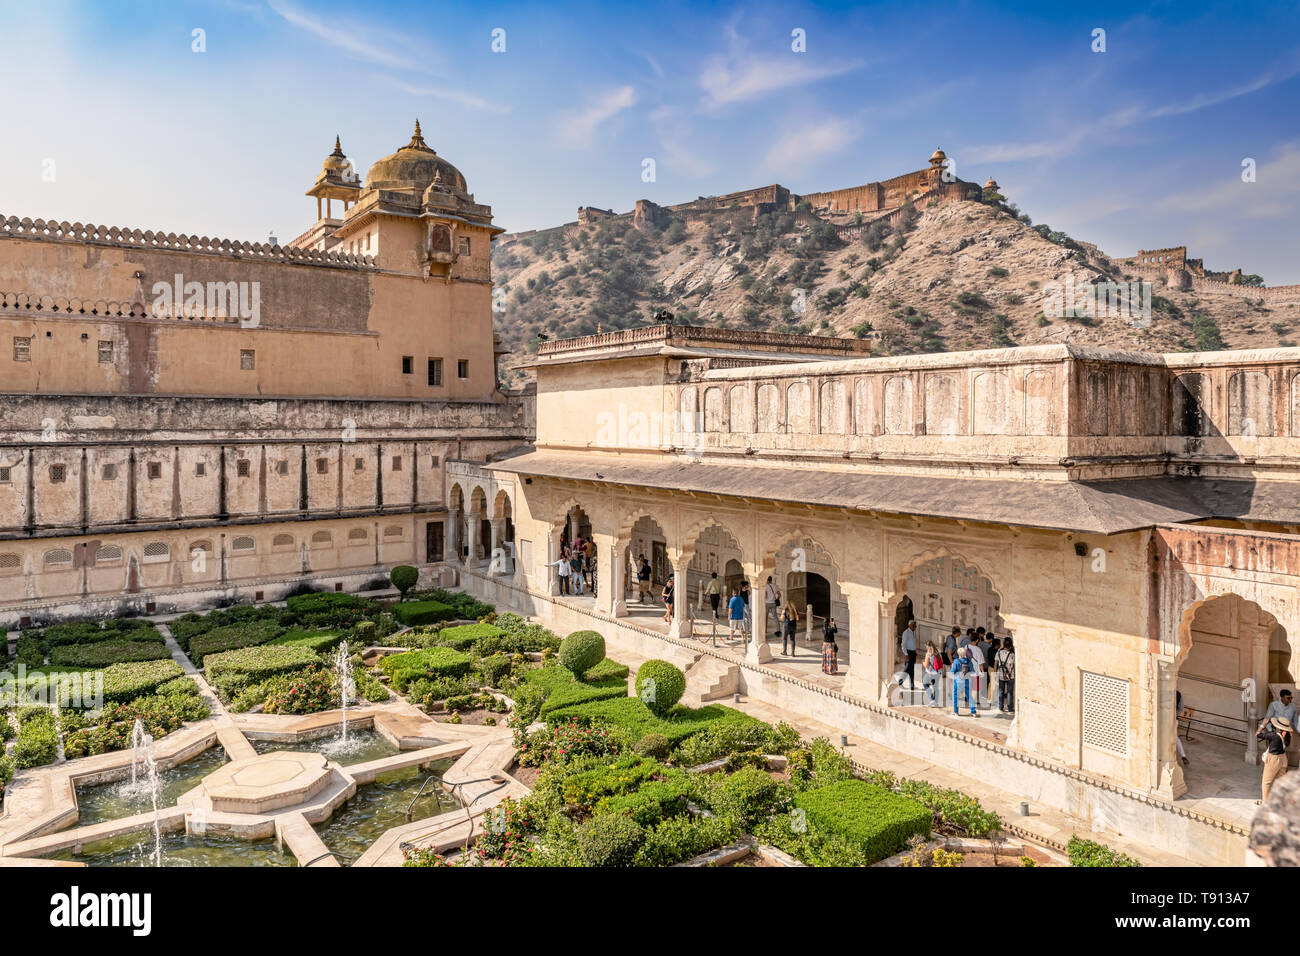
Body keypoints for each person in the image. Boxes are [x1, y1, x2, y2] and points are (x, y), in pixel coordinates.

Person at [1258, 716, 1293, 803]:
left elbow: (1257, 734)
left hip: (1273, 759)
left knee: (1266, 782)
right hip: (1283, 758)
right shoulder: (1288, 735)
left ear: (1278, 726)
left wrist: (1263, 725)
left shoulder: (1273, 735)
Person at [951, 645, 977, 717]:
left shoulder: (956, 661)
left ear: (958, 654)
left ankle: (956, 712)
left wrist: (952, 666)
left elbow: (952, 671)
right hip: (967, 680)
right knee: (969, 696)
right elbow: (972, 671)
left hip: (958, 681)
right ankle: (973, 712)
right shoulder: (969, 661)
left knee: (955, 695)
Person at [994, 637, 1015, 713]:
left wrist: (995, 674)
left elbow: (995, 664)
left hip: (1000, 675)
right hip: (1010, 676)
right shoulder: (1012, 655)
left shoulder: (998, 653)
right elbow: (1015, 666)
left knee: (1001, 691)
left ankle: (1000, 707)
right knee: (1010, 692)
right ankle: (1010, 709)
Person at [922, 641, 943, 706]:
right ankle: (936, 702)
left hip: (930, 673)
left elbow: (926, 665)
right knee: (936, 687)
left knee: (925, 684)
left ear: (928, 646)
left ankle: (932, 699)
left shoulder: (928, 654)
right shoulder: (938, 652)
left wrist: (923, 662)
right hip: (938, 672)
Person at [967, 634, 986, 705]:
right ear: (977, 640)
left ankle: (970, 700)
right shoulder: (978, 650)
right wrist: (983, 671)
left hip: (967, 670)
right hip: (975, 671)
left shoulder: (966, 647)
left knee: (969, 687)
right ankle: (972, 703)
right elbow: (980, 663)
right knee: (974, 688)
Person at [900, 619, 918, 691]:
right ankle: (900, 682)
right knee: (907, 669)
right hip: (908, 653)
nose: (915, 628)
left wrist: (915, 651)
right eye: (914, 626)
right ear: (910, 625)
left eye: (915, 626)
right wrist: (906, 654)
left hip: (912, 653)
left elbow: (911, 643)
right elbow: (903, 645)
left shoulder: (912, 632)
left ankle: (912, 685)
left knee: (912, 670)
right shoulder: (906, 633)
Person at [984, 636, 1000, 705]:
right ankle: (991, 699)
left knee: (991, 684)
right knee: (994, 685)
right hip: (994, 669)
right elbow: (995, 663)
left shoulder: (989, 649)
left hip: (989, 667)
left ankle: (989, 698)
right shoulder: (996, 652)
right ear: (997, 645)